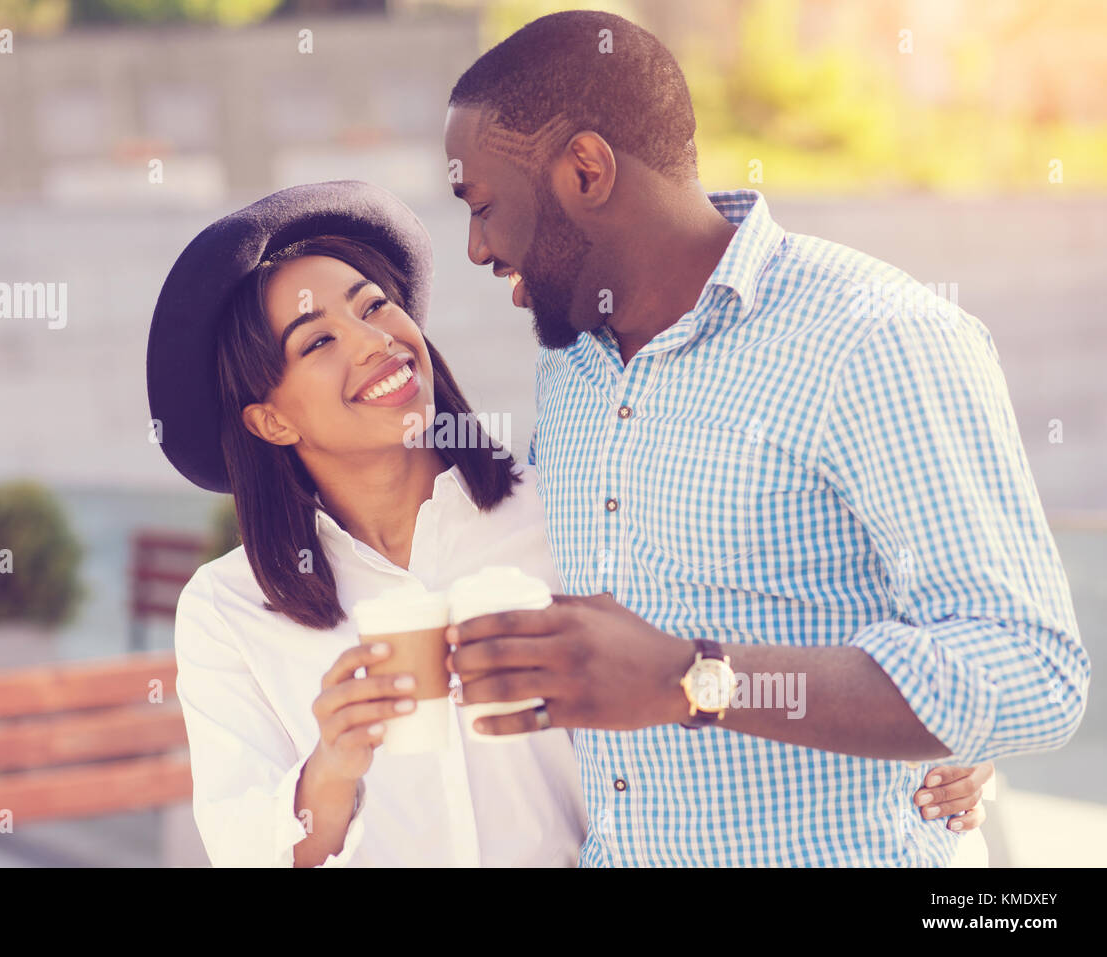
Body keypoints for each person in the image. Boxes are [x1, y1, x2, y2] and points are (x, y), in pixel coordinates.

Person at [147, 181, 990, 867]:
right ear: (270, 421)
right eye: (316, 340)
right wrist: (332, 764)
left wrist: (948, 737)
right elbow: (247, 848)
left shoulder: (572, 508)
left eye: (375, 307)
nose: (375, 343)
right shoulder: (228, 611)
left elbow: (752, 656)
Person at [441, 10, 1088, 866]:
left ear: (587, 170)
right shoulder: (573, 366)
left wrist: (697, 680)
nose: (477, 247)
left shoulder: (878, 337)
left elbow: (1030, 670)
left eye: (483, 206)